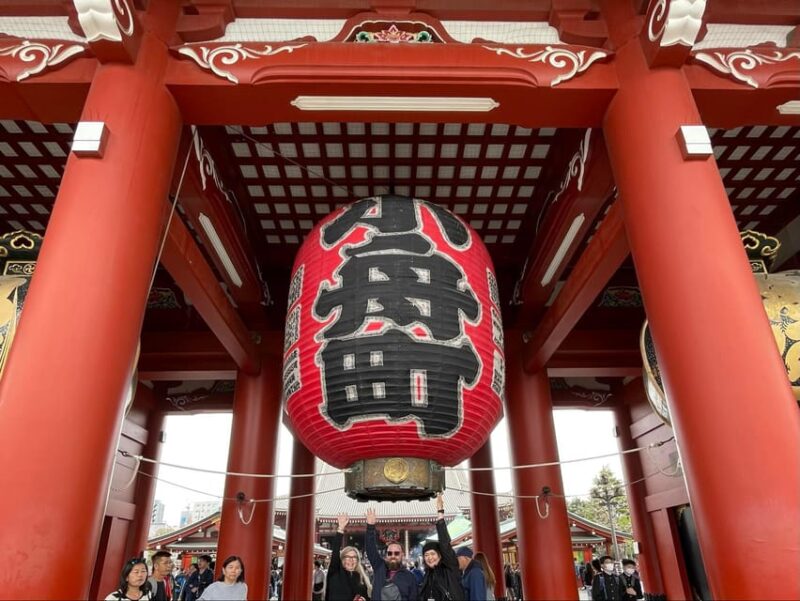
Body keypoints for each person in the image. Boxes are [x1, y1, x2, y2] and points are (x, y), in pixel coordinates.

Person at [418, 493, 465, 601]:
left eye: (433, 554)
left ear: (440, 555)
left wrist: (440, 514)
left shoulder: (449, 568)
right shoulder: (427, 575)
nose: (430, 558)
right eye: (426, 555)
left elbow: (444, 544)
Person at [365, 507, 418, 600]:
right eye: (390, 553)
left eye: (396, 553)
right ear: (386, 555)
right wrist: (370, 527)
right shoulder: (379, 567)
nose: (393, 556)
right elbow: (370, 549)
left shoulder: (410, 577)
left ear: (402, 554)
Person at [326, 513, 372, 601]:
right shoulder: (335, 572)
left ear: (357, 560)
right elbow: (335, 551)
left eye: (354, 557)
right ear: (342, 558)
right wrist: (340, 529)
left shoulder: (361, 578)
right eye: (347, 557)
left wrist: (363, 599)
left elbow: (366, 597)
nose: (351, 560)